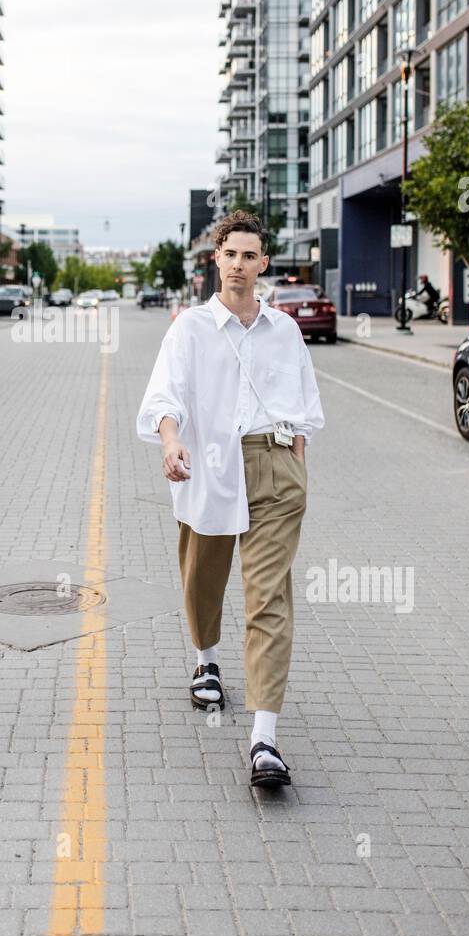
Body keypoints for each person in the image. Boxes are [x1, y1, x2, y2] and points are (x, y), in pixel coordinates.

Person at [136, 209, 324, 788]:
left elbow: (305, 406)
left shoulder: (285, 330)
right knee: (203, 574)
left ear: (263, 263)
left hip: (272, 469)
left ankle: (264, 738)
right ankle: (206, 659)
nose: (239, 264)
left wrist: (294, 458)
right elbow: (165, 397)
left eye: (250, 255)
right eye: (230, 254)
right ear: (215, 260)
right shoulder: (190, 327)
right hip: (209, 465)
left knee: (269, 598)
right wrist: (171, 444)